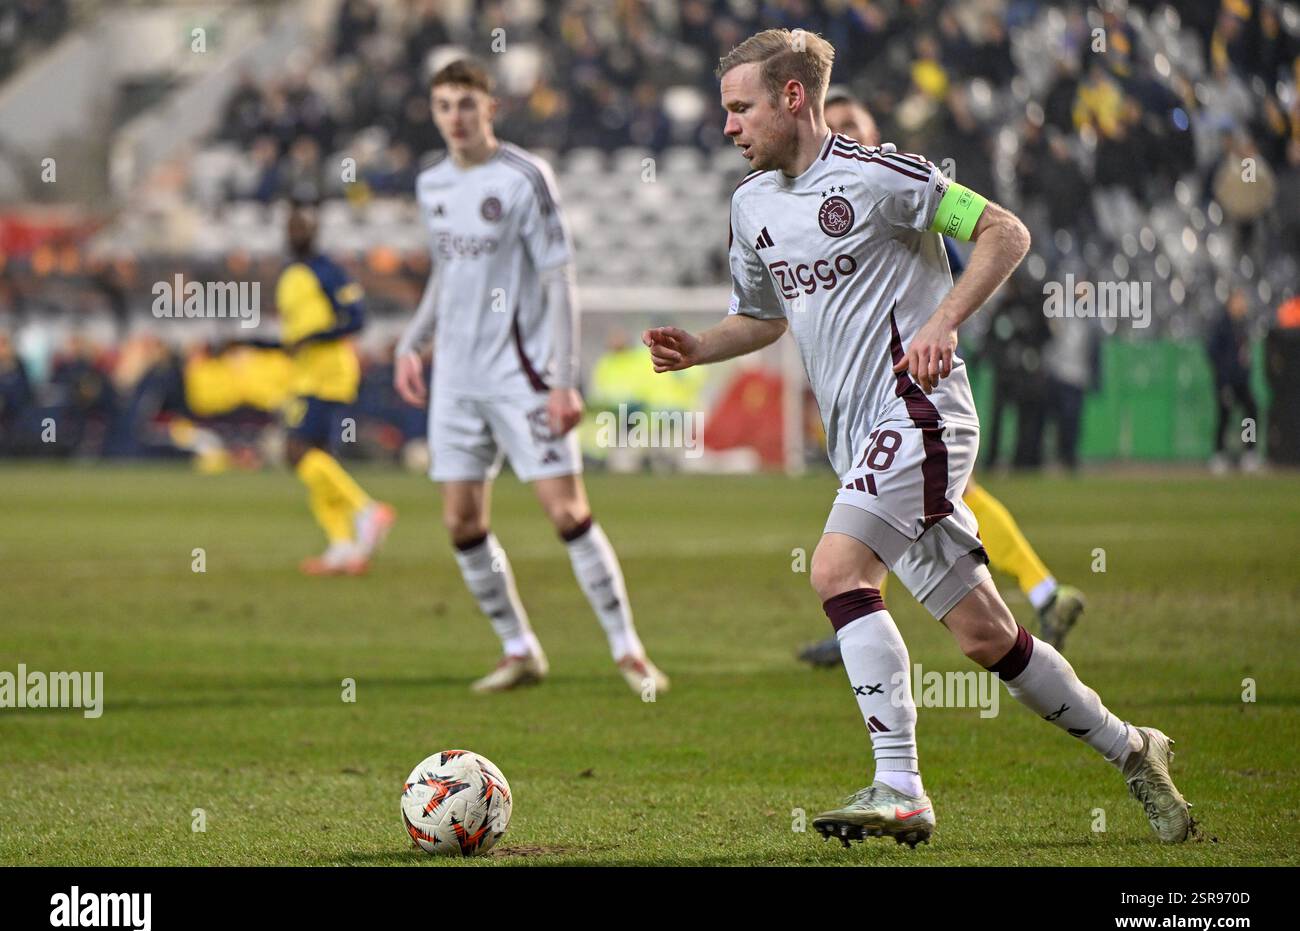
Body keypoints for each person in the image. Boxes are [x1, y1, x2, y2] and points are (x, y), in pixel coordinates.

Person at [644, 29, 1191, 847]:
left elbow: (1004, 231)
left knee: (835, 569)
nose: (729, 127)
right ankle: (1133, 748)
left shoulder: (883, 175)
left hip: (923, 416)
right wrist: (697, 346)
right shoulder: (751, 204)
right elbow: (760, 318)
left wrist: (942, 320)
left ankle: (900, 786)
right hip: (861, 442)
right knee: (986, 637)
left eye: (740, 107)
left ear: (792, 97)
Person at [393, 59, 667, 696]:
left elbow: (557, 277)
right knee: (461, 522)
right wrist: (413, 342)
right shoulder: (431, 182)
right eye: (443, 106)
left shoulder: (524, 177)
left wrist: (562, 379)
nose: (455, 117)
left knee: (566, 511)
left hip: (522, 374)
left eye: (466, 104)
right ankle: (519, 648)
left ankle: (627, 649)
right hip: (456, 380)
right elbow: (444, 273)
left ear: (491, 108)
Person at [793, 91, 1084, 667]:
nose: (845, 134)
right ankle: (1042, 595)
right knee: (927, 511)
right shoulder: (819, 206)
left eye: (855, 124)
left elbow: (988, 241)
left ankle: (859, 609)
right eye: (837, 124)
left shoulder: (902, 189)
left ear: (876, 133)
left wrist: (945, 321)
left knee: (927, 502)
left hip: (920, 379)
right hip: (864, 398)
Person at [277, 202, 395, 574]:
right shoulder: (292, 274)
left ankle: (366, 510)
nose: (297, 232)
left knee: (295, 451)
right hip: (305, 373)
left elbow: (356, 319)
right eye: (292, 226)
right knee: (318, 458)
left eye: (303, 226)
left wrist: (315, 338)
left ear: (315, 232)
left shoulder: (328, 272)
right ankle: (341, 546)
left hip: (329, 374)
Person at [1207, 286, 1261, 474]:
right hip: (1226, 381)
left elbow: (1245, 353)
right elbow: (1212, 351)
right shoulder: (1222, 325)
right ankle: (1219, 454)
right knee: (1224, 415)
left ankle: (1249, 453)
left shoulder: (1242, 325)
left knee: (1251, 412)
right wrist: (1222, 376)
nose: (1242, 304)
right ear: (1230, 303)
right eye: (1239, 301)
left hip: (1241, 380)